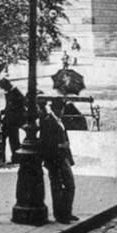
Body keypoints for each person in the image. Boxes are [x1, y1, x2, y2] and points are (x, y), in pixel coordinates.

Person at [39, 96, 77, 224]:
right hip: (54, 159)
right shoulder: (48, 121)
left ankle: (66, 212)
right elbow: (44, 142)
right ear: (53, 108)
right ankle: (60, 215)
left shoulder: (60, 121)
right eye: (59, 108)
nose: (61, 111)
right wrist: (59, 146)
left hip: (63, 158)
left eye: (62, 108)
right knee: (57, 187)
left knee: (70, 185)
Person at [0, 78, 25, 164]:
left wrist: (7, 112)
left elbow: (19, 108)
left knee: (13, 140)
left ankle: (14, 158)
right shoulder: (10, 93)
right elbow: (9, 107)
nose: (3, 90)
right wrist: (3, 111)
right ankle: (4, 157)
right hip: (9, 120)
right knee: (7, 139)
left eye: (3, 87)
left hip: (13, 121)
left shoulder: (16, 93)